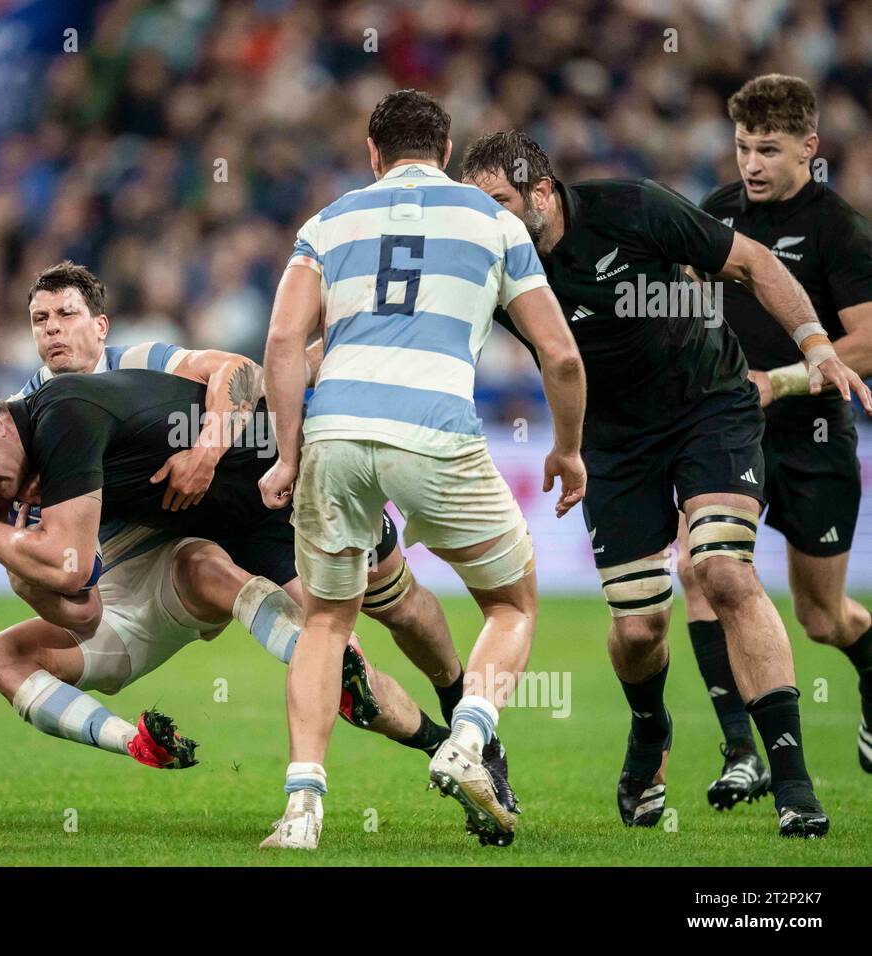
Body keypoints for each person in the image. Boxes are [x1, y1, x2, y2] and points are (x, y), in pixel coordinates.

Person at [463, 127, 870, 837]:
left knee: (722, 570)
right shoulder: (489, 265)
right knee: (640, 628)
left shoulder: (634, 207)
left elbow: (752, 262)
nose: (489, 219)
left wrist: (813, 346)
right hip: (614, 446)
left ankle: (794, 784)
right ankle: (651, 727)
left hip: (709, 406)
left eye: (499, 201)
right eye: (478, 207)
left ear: (542, 191)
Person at [258, 90, 587, 850]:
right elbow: (560, 354)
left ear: (372, 154)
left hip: (336, 431)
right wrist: (567, 449)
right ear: (445, 153)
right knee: (512, 606)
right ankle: (469, 736)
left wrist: (284, 453)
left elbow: (282, 341)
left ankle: (302, 807)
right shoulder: (493, 220)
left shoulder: (329, 220)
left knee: (327, 622)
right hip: (434, 433)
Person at [0, 369, 468, 781]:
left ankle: (462, 703)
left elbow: (238, 369)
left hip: (287, 478)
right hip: (220, 536)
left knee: (399, 606)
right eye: (40, 320)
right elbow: (81, 606)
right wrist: (17, 557)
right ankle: (444, 747)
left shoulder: (74, 404)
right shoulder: (33, 477)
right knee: (345, 673)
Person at [681, 74, 872, 802]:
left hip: (814, 436)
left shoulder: (839, 228)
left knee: (824, 617)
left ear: (809, 149)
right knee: (705, 572)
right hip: (727, 435)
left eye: (768, 149)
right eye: (741, 148)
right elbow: (683, 306)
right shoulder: (716, 215)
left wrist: (780, 380)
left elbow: (867, 343)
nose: (751, 164)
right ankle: (742, 751)